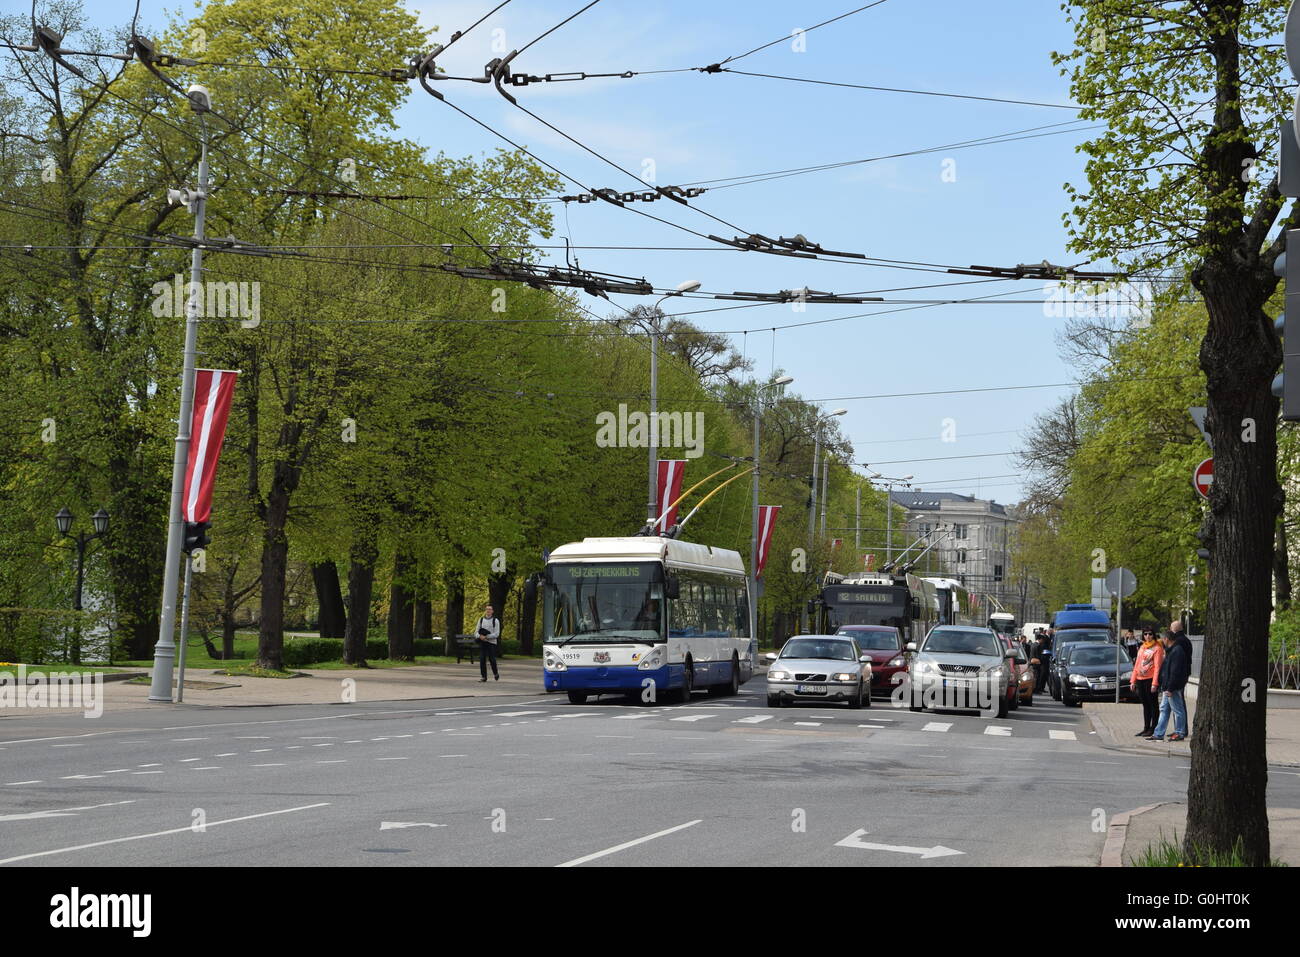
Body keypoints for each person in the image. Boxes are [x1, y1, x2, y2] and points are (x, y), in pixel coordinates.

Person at [1150, 623, 1192, 741]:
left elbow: (1175, 672)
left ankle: (1180, 732)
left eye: (1163, 639)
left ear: (1166, 639)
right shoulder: (1171, 650)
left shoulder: (1176, 651)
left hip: (1172, 687)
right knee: (1164, 709)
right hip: (1167, 686)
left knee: (1177, 709)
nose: (1162, 641)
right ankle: (1158, 733)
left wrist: (1170, 687)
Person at [1130, 627, 1164, 737]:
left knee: (1153, 705)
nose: (1148, 636)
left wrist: (1155, 683)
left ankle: (1153, 728)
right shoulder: (1142, 648)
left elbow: (1158, 667)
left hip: (1150, 680)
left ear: (1153, 635)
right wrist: (1133, 680)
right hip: (1140, 679)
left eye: (1150, 634)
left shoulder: (1157, 648)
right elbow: (1137, 665)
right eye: (1145, 634)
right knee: (1145, 705)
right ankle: (1146, 728)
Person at [476, 603, 501, 682]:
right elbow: (476, 632)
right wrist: (480, 636)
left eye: (490, 609)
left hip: (492, 643)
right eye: (487, 609)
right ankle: (484, 677)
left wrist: (487, 637)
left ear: (492, 611)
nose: (488, 611)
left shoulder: (495, 621)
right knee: (482, 659)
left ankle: (495, 673)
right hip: (483, 642)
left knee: (492, 659)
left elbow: (497, 634)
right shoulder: (481, 620)